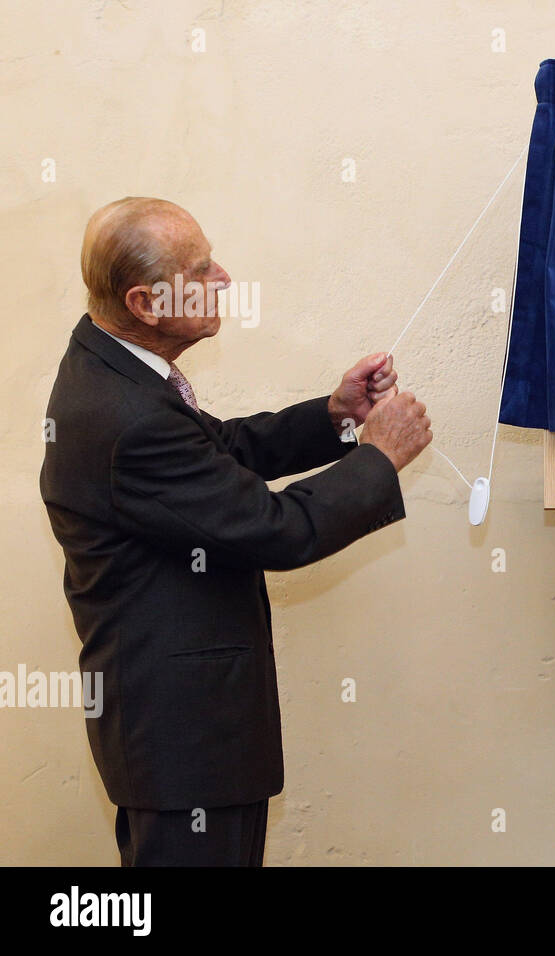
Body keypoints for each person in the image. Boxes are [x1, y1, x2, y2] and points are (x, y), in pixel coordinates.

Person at [39, 197, 432, 866]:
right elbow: (280, 531)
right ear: (145, 303)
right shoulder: (129, 417)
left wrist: (336, 417)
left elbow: (217, 454)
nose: (223, 278)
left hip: (181, 736)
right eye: (200, 271)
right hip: (182, 741)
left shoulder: (114, 365)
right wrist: (377, 457)